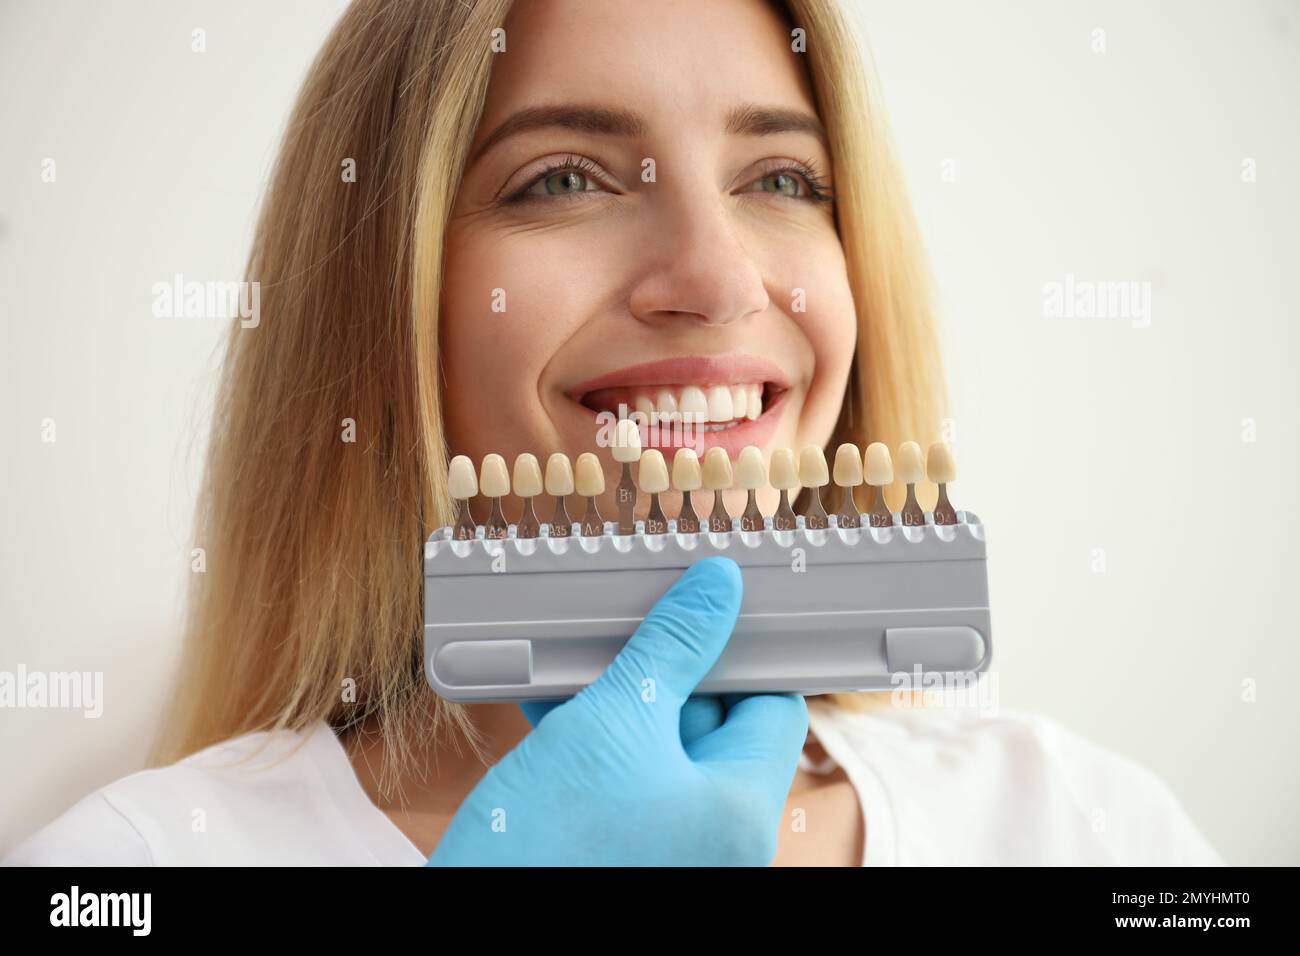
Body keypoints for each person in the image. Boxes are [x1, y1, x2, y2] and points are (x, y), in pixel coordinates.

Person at [5, 0, 1222, 867]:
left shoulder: (1078, 821)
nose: (714, 276)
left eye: (782, 180)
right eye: (563, 178)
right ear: (384, 303)